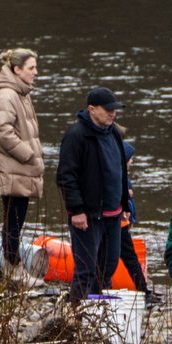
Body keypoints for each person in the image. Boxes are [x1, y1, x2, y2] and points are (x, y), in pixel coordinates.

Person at [56, 87, 126, 300]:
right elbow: (65, 177)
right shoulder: (76, 135)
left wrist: (125, 204)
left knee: (108, 267)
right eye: (107, 109)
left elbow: (120, 170)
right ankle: (77, 315)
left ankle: (100, 316)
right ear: (92, 109)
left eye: (114, 109)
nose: (112, 113)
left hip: (113, 214)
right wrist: (76, 210)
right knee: (85, 270)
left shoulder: (113, 131)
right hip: (87, 215)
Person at [0, 48, 44, 275]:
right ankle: (14, 270)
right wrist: (28, 154)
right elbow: (3, 133)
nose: (35, 72)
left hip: (18, 170)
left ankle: (13, 267)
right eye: (31, 68)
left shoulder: (21, 93)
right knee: (13, 222)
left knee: (15, 222)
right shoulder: (8, 95)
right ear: (17, 70)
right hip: (13, 170)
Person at [114, 132, 160, 306]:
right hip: (117, 223)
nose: (132, 162)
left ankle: (143, 289)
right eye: (130, 159)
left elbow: (130, 204)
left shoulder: (124, 177)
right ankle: (142, 290)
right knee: (128, 258)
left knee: (127, 257)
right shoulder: (120, 178)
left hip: (122, 223)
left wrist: (131, 217)